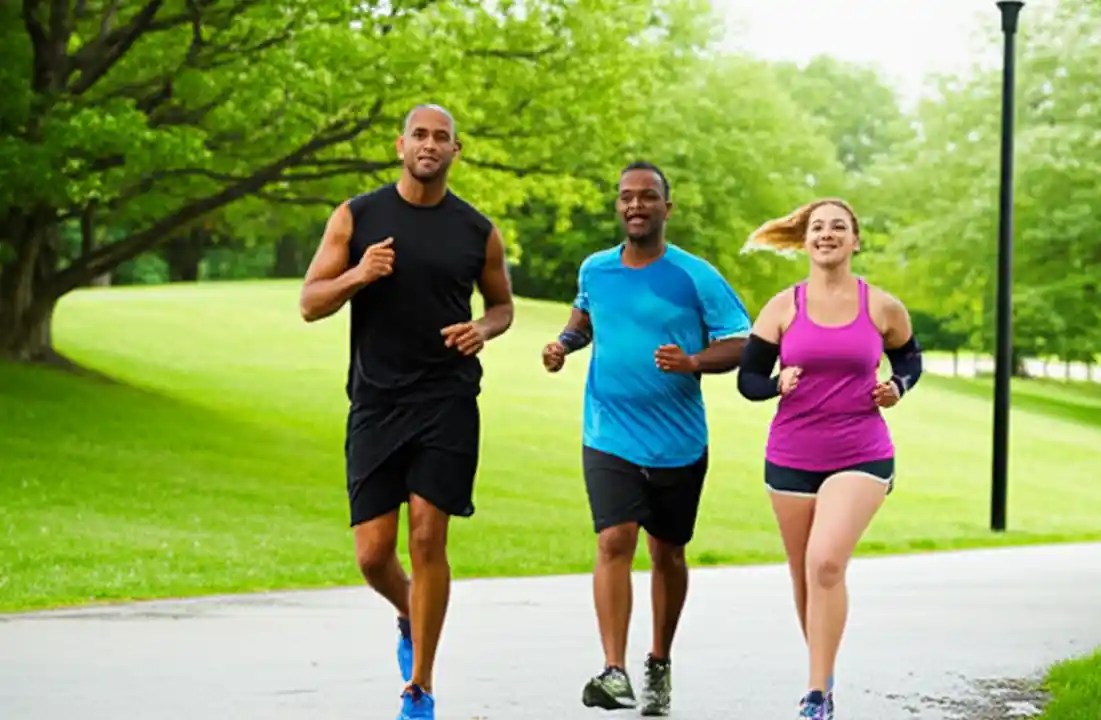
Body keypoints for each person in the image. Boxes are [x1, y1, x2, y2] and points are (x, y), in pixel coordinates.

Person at [298, 103, 514, 720]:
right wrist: (359, 275)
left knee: (427, 535)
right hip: (375, 401)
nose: (429, 144)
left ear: (456, 150)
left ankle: (419, 688)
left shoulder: (478, 230)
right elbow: (311, 302)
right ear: (400, 146)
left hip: (446, 400)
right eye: (419, 135)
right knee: (372, 554)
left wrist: (483, 328)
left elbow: (502, 306)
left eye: (441, 137)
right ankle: (407, 611)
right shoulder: (358, 216)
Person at [541, 161, 751, 716]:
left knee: (669, 553)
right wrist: (562, 345)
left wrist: (694, 361)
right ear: (618, 206)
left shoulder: (695, 276)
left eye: (648, 197)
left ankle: (659, 662)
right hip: (608, 431)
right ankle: (614, 670)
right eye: (627, 197)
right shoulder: (596, 269)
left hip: (679, 441)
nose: (636, 205)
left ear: (666, 207)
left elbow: (743, 342)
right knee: (614, 540)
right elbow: (583, 319)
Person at [734, 198, 923, 720]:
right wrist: (777, 383)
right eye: (818, 227)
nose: (827, 235)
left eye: (838, 227)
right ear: (805, 240)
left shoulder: (882, 306)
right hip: (792, 455)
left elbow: (909, 358)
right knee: (804, 574)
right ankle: (824, 672)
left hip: (861, 453)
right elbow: (747, 380)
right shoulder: (783, 306)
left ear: (855, 240)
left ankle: (816, 696)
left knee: (826, 562)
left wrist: (897, 387)